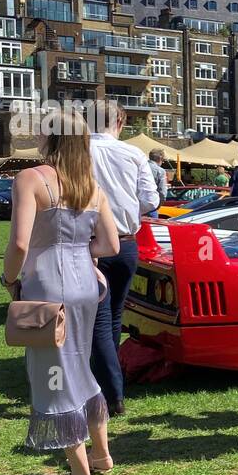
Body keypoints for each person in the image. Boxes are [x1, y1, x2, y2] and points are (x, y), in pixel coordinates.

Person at [1, 115, 120, 475]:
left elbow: (19, 243)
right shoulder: (91, 187)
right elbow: (111, 246)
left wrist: (8, 280)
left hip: (47, 284)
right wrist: (81, 253)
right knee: (80, 368)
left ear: (50, 137)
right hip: (86, 285)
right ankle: (100, 456)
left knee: (54, 375)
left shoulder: (31, 178)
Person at [89, 102, 159, 417]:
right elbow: (150, 200)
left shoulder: (77, 152)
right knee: (114, 316)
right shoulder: (133, 154)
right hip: (126, 241)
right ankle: (111, 384)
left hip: (90, 244)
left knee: (100, 321)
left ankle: (111, 391)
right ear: (121, 120)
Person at [147, 149, 169, 213]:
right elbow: (162, 192)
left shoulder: (139, 167)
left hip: (137, 205)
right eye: (163, 160)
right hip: (151, 205)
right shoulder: (160, 171)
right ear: (160, 158)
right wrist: (158, 205)